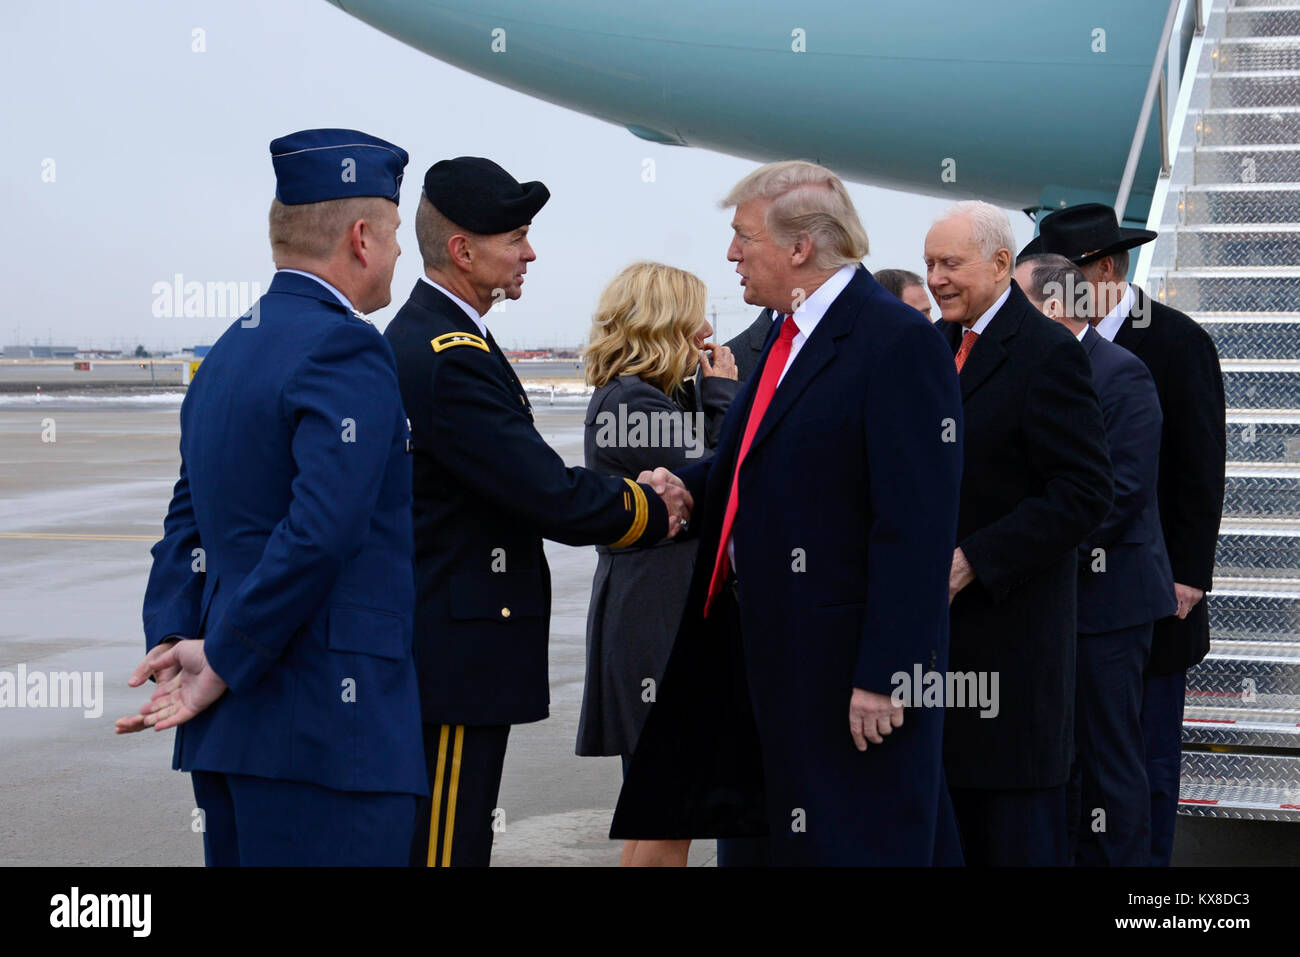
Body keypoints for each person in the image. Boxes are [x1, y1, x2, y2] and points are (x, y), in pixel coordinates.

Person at [611, 160, 966, 865]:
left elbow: (917, 524)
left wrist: (888, 671)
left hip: (844, 675)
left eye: (744, 237)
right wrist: (687, 487)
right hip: (760, 656)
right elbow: (757, 461)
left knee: (854, 845)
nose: (731, 254)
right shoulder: (785, 335)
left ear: (801, 246)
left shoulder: (895, 341)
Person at [115, 128, 426, 865]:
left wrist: (173, 635)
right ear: (361, 238)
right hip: (326, 733)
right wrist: (221, 656)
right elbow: (320, 530)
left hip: (234, 731)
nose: (398, 254)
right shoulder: (345, 346)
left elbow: (188, 519)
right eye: (392, 234)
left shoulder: (226, 353)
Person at [384, 157, 693, 868]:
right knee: (446, 849)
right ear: (464, 251)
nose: (530, 252)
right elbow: (545, 491)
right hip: (455, 652)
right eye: (517, 237)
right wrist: (655, 508)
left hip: (452, 640)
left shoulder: (446, 337)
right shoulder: (448, 353)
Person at [1023, 203, 1226, 865]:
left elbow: (1200, 466)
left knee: (1143, 759)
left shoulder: (1173, 340)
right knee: (1084, 762)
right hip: (1074, 596)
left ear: (1102, 269)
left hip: (1155, 590)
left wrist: (1190, 573)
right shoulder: (1052, 349)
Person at [927, 201, 1113, 866]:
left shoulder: (1047, 353)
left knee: (1013, 838)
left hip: (1011, 652)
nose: (936, 278)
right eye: (929, 265)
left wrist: (975, 558)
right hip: (936, 656)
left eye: (951, 263)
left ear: (1002, 264)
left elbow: (1085, 491)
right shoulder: (935, 347)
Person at [578, 261, 740, 867]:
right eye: (695, 315)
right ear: (666, 323)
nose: (706, 330)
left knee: (664, 805)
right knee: (673, 810)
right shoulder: (632, 402)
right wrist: (724, 392)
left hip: (652, 609)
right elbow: (724, 474)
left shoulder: (641, 397)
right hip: (657, 619)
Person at [1016, 253, 1176, 865]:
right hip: (1054, 599)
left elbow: (1121, 492)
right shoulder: (1039, 369)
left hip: (1108, 605)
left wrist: (1031, 552)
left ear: (1055, 307)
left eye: (1020, 302)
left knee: (1110, 760)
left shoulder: (1121, 374)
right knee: (1063, 760)